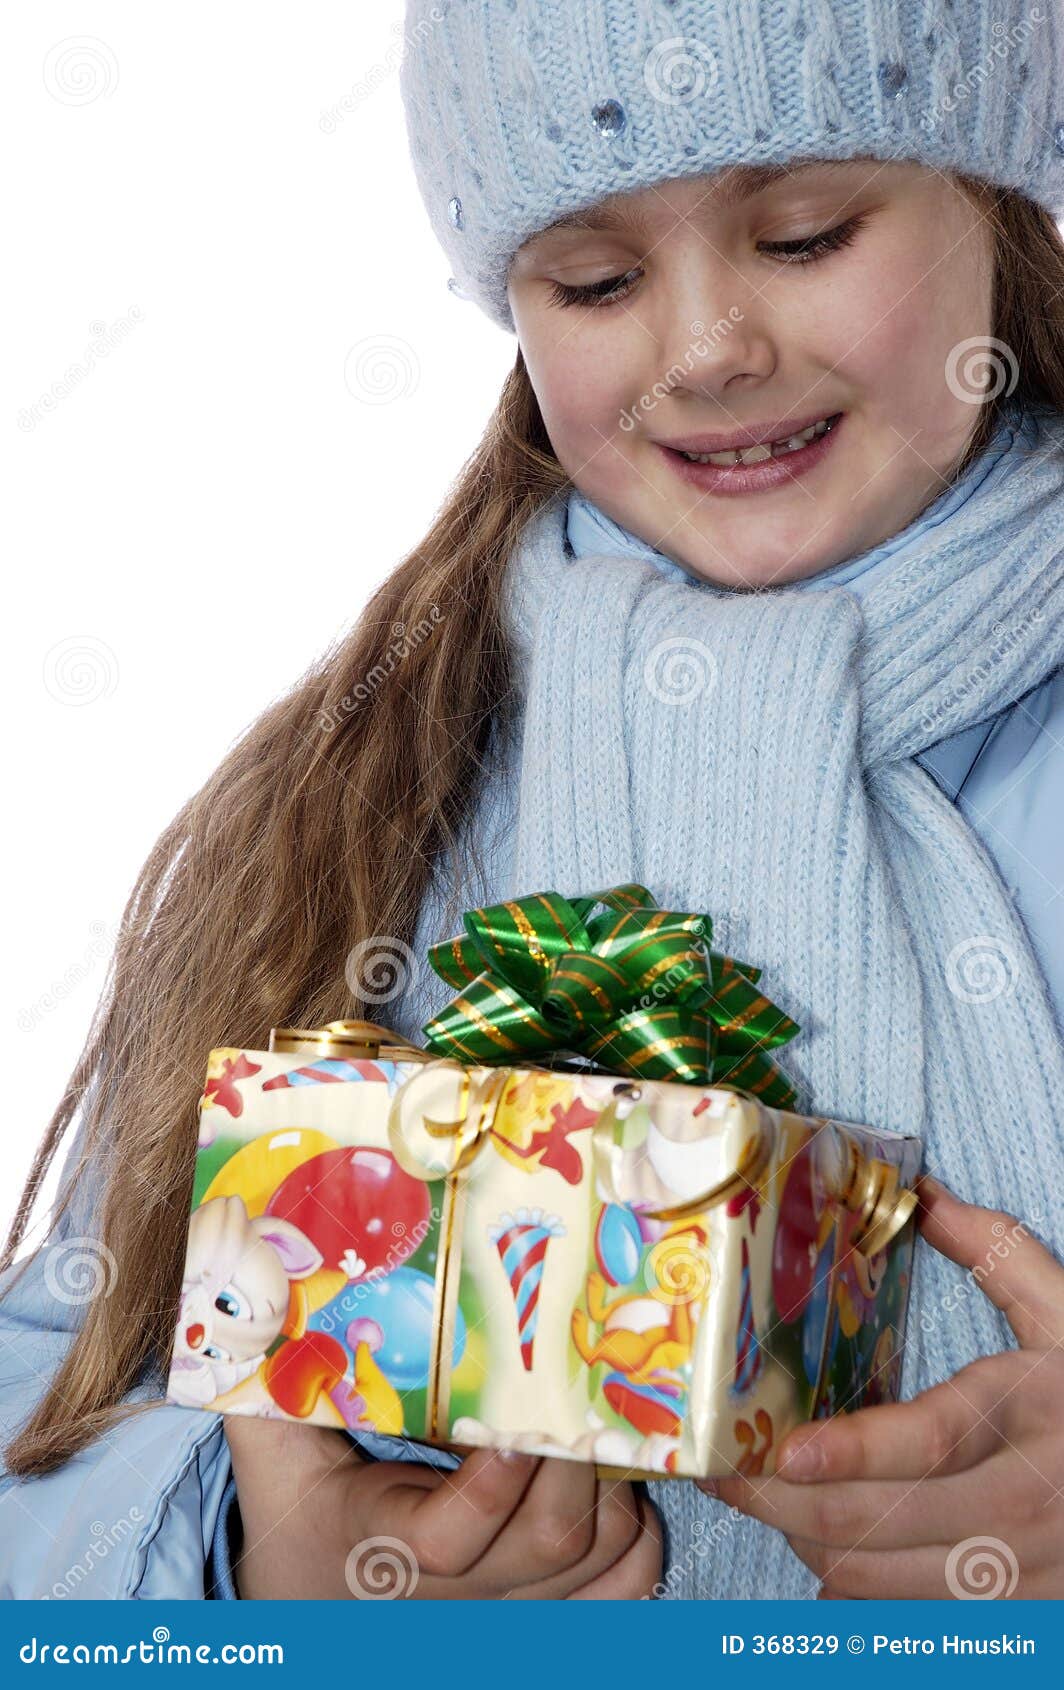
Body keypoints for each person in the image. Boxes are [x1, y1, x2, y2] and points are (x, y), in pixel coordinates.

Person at [2, 0, 1063, 1601]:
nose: (707, 349)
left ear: (998, 201)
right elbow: (51, 1406)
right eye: (597, 279)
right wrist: (257, 1570)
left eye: (804, 234)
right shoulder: (356, 796)